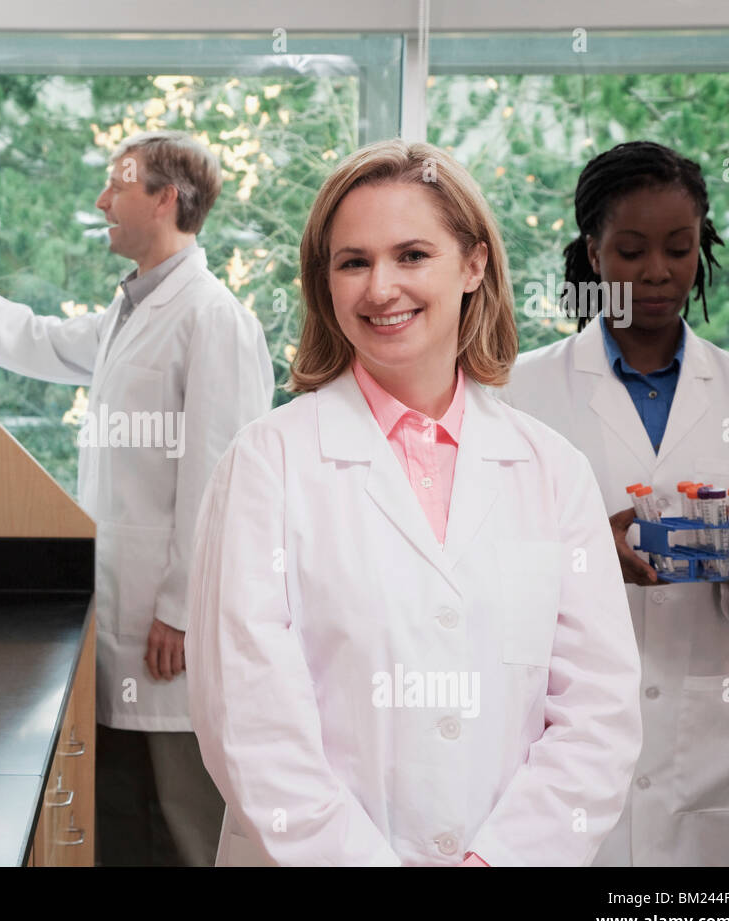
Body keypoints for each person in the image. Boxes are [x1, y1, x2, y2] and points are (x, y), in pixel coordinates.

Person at [186, 139, 642, 866]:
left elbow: (600, 713)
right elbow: (248, 719)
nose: (380, 288)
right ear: (325, 283)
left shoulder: (553, 470)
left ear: (473, 264)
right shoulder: (264, 463)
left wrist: (499, 860)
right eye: (353, 262)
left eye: (411, 255)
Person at [0, 130, 275, 866]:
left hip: (169, 625)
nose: (102, 202)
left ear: (166, 198)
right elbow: (36, 340)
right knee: (127, 815)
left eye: (118, 186)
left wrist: (179, 608)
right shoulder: (131, 314)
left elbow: (218, 479)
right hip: (121, 611)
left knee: (185, 820)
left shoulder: (213, 319)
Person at [500, 141, 729, 866]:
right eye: (630, 250)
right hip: (560, 745)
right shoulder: (517, 395)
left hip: (711, 752)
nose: (656, 272)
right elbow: (476, 562)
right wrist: (595, 551)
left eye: (679, 249)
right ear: (592, 254)